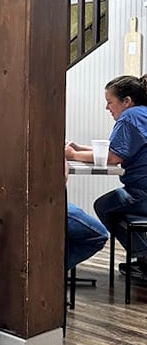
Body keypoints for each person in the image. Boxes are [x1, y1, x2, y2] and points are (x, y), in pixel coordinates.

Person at [65, 74, 147, 277]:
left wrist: (73, 155)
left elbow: (112, 157)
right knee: (112, 206)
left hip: (142, 192)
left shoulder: (130, 117)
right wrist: (80, 149)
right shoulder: (142, 113)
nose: (107, 108)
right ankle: (142, 258)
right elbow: (113, 150)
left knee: (105, 205)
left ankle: (144, 257)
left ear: (126, 101)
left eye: (110, 102)